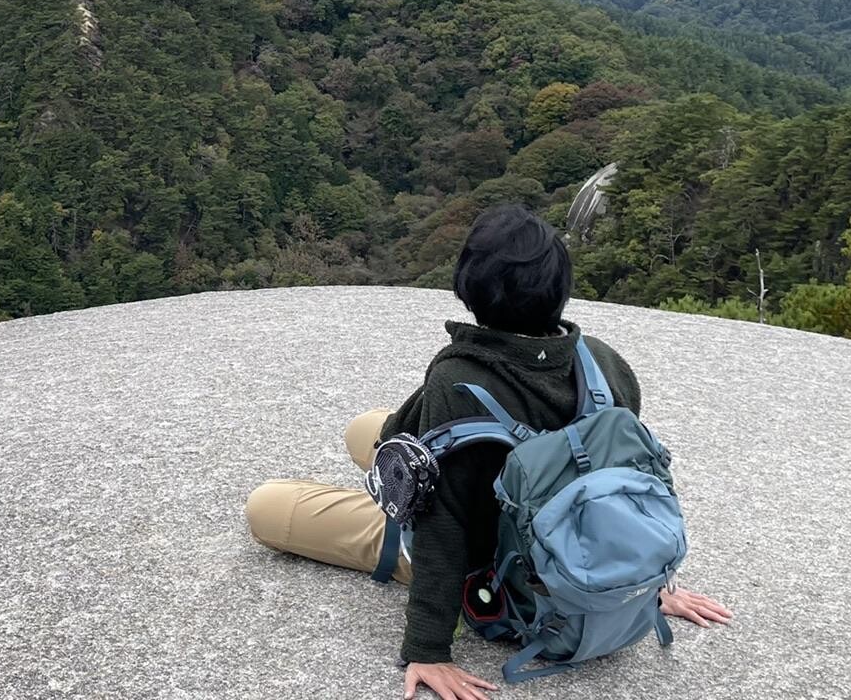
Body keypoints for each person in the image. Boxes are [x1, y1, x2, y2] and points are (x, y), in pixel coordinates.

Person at [245, 204, 731, 698]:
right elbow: (626, 475)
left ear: (470, 290)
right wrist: (648, 585)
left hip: (502, 570)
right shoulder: (602, 361)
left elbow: (442, 522)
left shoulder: (460, 381)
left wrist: (427, 649)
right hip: (564, 536)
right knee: (364, 431)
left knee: (266, 507)